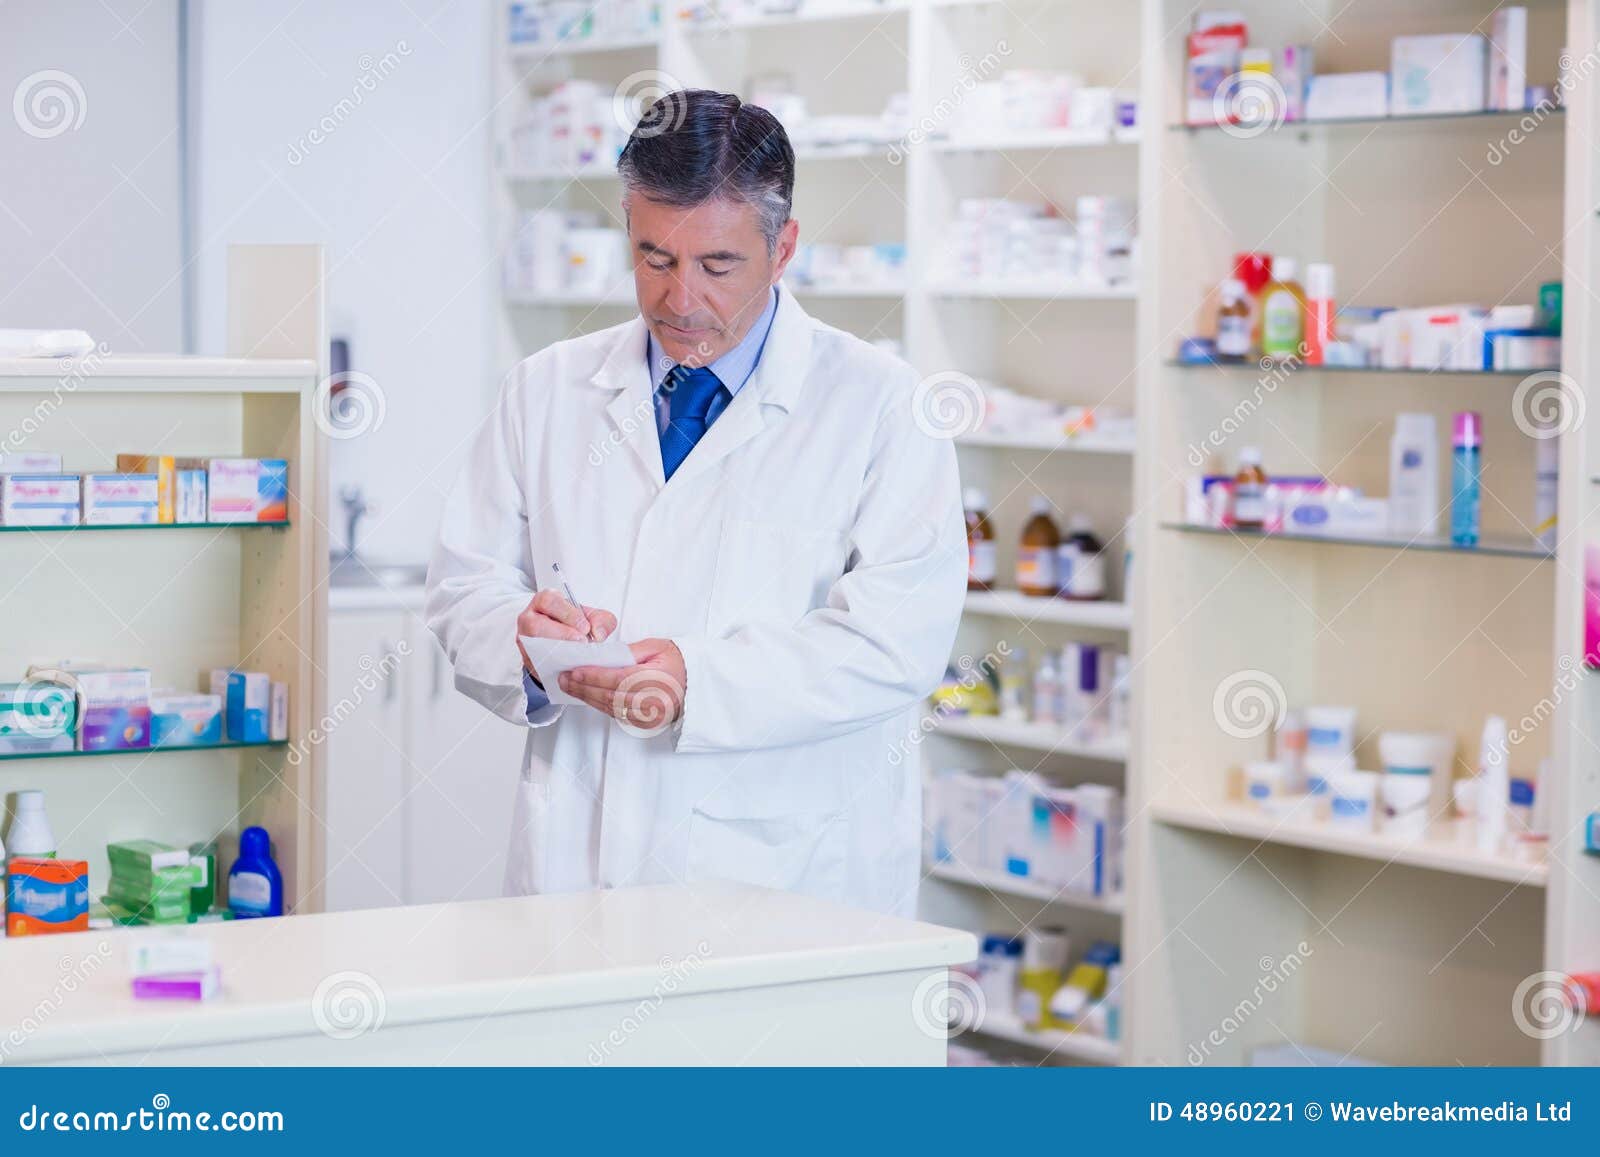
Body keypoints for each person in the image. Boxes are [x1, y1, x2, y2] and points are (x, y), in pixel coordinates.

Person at [425, 89, 964, 916]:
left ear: (782, 249)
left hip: (785, 878)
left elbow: (897, 642)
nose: (680, 300)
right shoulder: (547, 388)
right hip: (575, 862)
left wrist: (702, 680)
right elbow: (463, 586)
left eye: (718, 266)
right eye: (655, 258)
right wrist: (524, 640)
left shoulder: (881, 405)